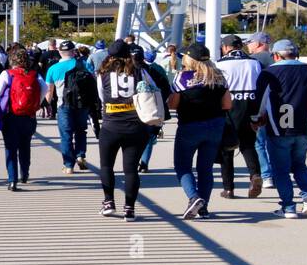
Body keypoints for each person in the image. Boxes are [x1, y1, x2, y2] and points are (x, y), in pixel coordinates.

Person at [253, 39, 307, 218]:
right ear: (296, 54)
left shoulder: (269, 73)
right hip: (306, 127)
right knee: (299, 163)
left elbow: (260, 101)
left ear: (276, 55)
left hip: (278, 128)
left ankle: (288, 206)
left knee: (280, 169)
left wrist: (255, 119)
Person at [169, 44, 232, 218]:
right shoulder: (218, 77)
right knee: (205, 168)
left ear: (189, 59)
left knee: (183, 166)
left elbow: (173, 104)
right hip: (215, 126)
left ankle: (194, 197)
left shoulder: (182, 77)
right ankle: (204, 206)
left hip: (190, 125)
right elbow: (227, 104)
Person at [96, 40, 156, 221]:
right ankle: (129, 208)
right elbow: (153, 89)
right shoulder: (139, 70)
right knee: (130, 170)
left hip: (111, 125)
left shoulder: (103, 73)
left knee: (107, 166)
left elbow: (101, 97)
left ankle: (108, 202)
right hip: (135, 124)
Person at [216, 34, 264, 199]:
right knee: (248, 145)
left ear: (226, 47)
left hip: (229, 108)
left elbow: (218, 88)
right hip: (250, 105)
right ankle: (255, 174)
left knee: (226, 149)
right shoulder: (254, 63)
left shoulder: (220, 64)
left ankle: (228, 188)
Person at [0, 46, 46, 191]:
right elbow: (45, 88)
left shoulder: (7, 74)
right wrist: (36, 104)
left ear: (11, 60)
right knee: (25, 145)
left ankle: (12, 180)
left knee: (10, 148)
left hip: (10, 116)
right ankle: (25, 174)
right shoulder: (34, 74)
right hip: (29, 116)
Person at [45, 39, 94, 174]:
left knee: (66, 135)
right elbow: (93, 83)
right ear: (73, 52)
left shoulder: (53, 69)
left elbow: (49, 92)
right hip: (82, 104)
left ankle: (68, 165)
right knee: (81, 131)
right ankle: (80, 155)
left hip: (64, 105)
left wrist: (47, 105)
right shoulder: (84, 65)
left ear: (60, 52)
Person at [132, 44, 171, 174]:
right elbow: (166, 88)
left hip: (132, 109)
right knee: (148, 137)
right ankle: (144, 163)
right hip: (151, 108)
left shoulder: (126, 72)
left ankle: (133, 161)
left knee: (133, 137)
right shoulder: (154, 70)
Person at [245, 32, 275, 186]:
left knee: (259, 142)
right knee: (274, 142)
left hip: (261, 106)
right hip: (278, 106)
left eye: (250, 42)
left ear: (258, 43)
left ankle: (266, 174)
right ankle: (277, 172)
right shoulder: (275, 58)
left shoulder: (253, 60)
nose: (247, 45)